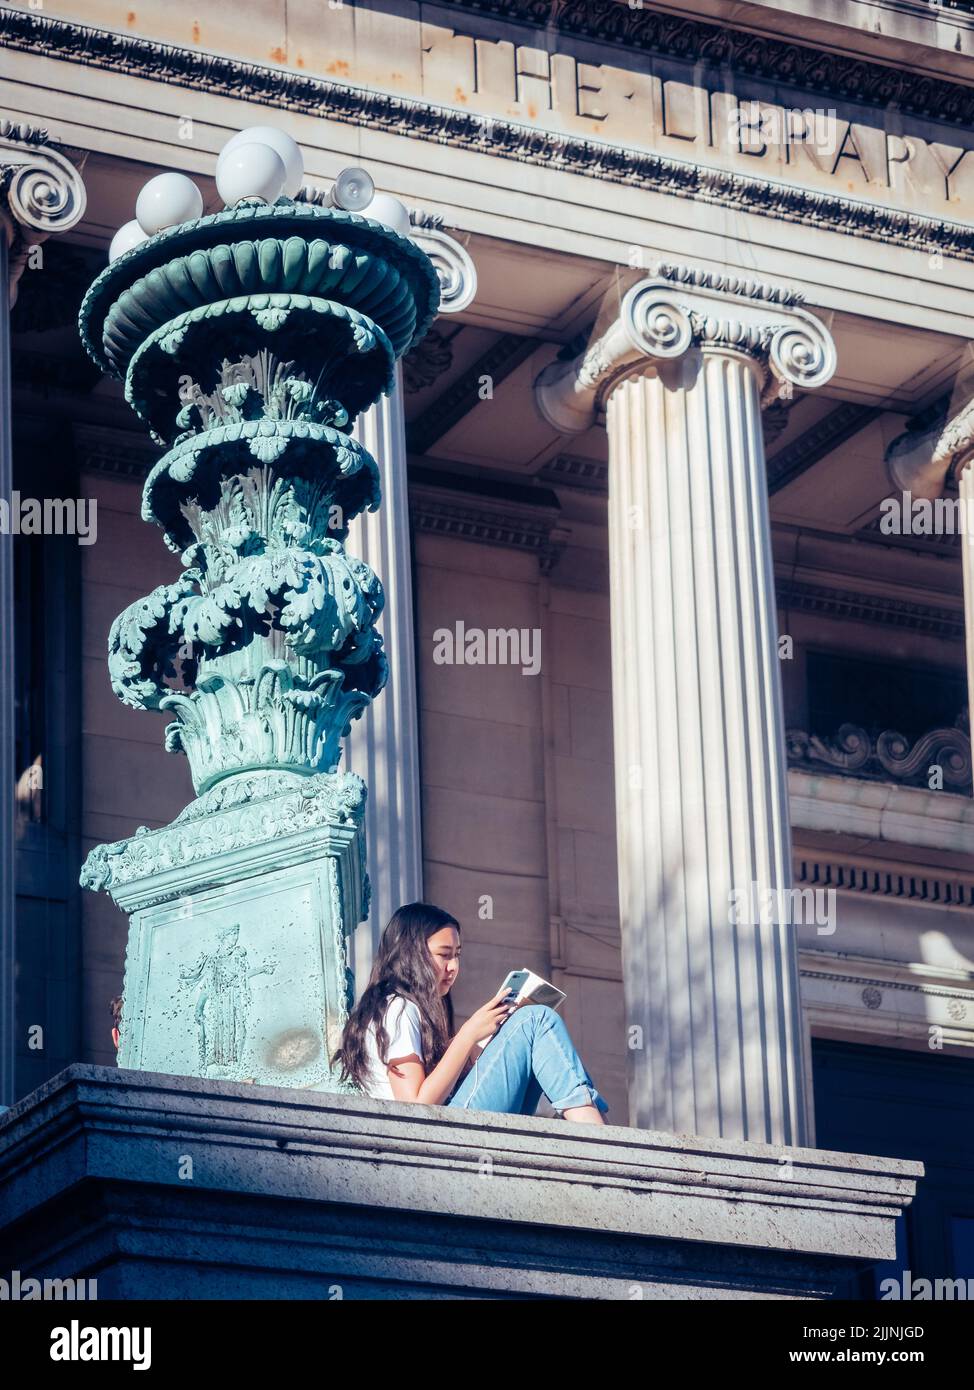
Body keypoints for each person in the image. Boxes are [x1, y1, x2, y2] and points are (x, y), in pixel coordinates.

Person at [332, 903, 609, 1123]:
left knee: (529, 1028)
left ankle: (590, 1121)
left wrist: (479, 1045)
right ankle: (593, 1130)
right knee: (536, 1019)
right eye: (444, 954)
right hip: (434, 1135)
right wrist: (467, 1036)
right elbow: (413, 1107)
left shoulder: (406, 1009)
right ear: (411, 954)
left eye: (458, 955)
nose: (453, 967)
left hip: (448, 1123)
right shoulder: (397, 1007)